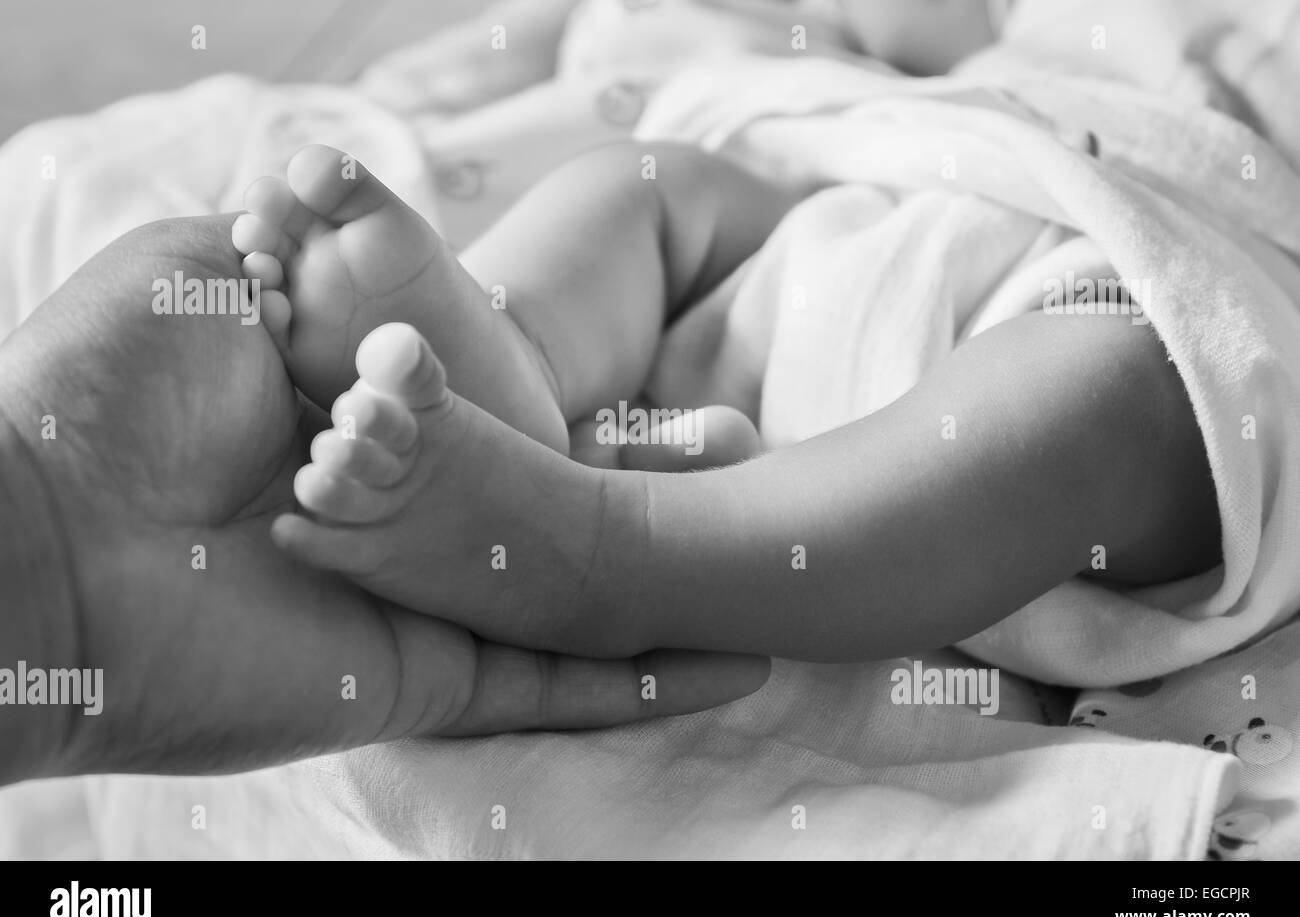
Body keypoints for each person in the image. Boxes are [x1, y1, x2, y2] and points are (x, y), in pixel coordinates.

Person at [230, 140, 1220, 664]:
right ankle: (518, 358)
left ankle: (618, 546)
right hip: (877, 213)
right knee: (655, 186)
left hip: (1137, 285)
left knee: (1112, 401)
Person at [0, 214, 771, 787]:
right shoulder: (790, 117)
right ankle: (523, 373)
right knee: (647, 195)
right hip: (698, 328)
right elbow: (666, 215)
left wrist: (606, 542)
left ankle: (533, 432)